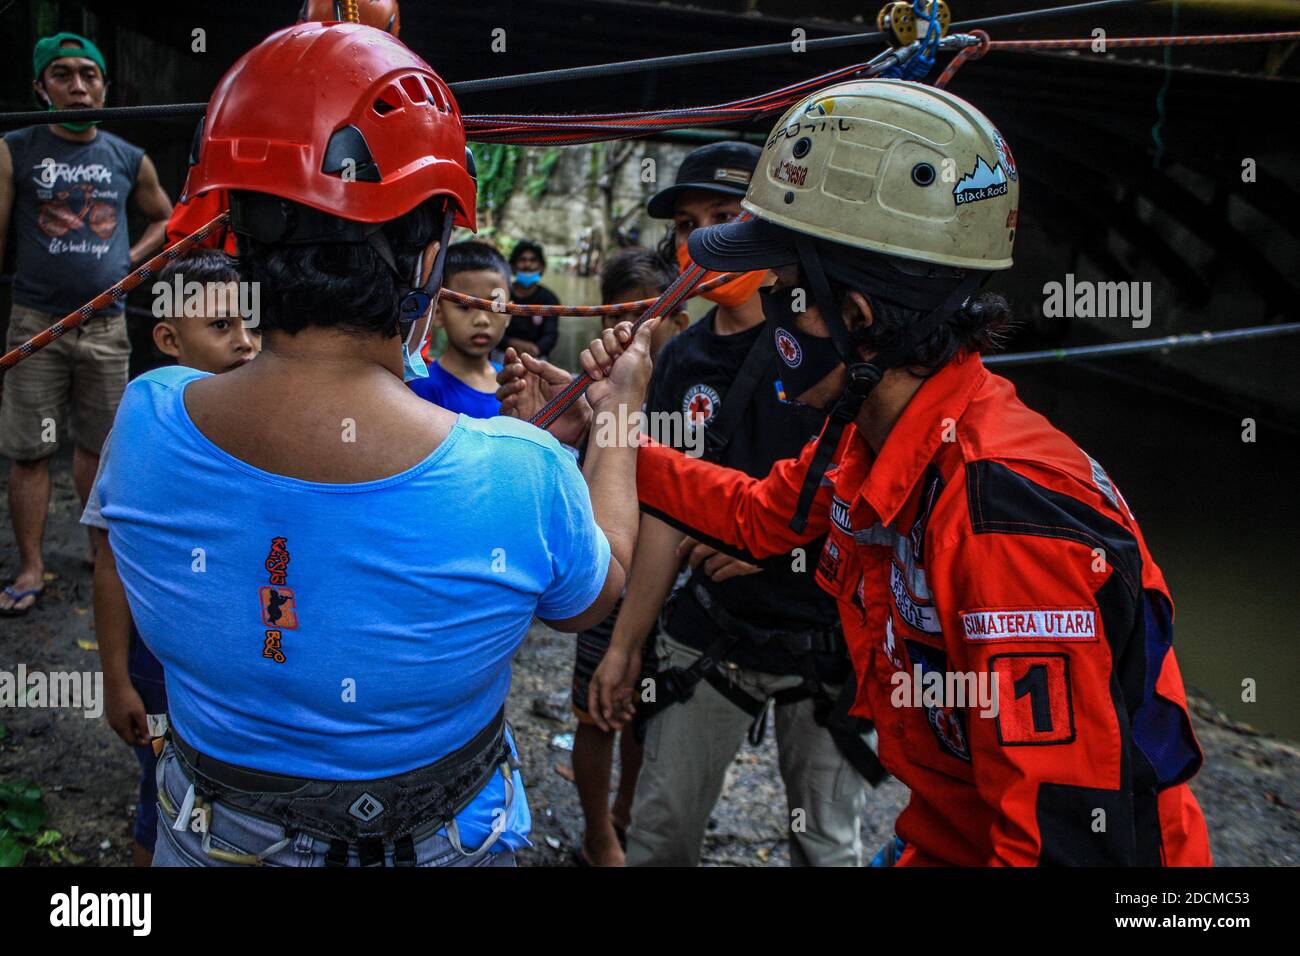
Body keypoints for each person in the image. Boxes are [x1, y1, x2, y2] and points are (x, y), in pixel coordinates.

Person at [512, 79, 1213, 866]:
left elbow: (1063, 842)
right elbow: (753, 515)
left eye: (784, 294)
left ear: (857, 319)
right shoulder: (870, 439)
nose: (768, 317)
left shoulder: (1009, 520)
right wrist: (601, 431)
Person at [96, 22, 652, 868]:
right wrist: (617, 419)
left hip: (211, 840)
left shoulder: (146, 417)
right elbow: (595, 593)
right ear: (429, 253)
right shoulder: (517, 469)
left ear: (235, 235)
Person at [508, 141, 883, 868]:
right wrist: (624, 646)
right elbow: (664, 505)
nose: (701, 239)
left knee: (829, 845)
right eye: (687, 224)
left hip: (831, 637)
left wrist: (786, 545)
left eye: (724, 216)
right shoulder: (679, 361)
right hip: (712, 632)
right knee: (663, 832)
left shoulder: (834, 349)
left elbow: (884, 497)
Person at [84, 250, 260, 867]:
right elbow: (110, 562)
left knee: (238, 803)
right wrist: (115, 678)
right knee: (161, 796)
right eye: (220, 327)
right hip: (156, 668)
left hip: (240, 665)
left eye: (252, 325)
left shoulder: (274, 425)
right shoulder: (141, 425)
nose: (244, 343)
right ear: (168, 338)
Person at [0, 31, 172, 615]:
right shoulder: (15, 147)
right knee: (29, 451)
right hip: (36, 325)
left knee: (99, 449)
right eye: (63, 75)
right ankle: (29, 565)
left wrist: (128, 259)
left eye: (89, 75)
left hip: (105, 326)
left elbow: (166, 218)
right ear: (40, 88)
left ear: (104, 83)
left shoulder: (127, 156)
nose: (78, 86)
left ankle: (101, 554)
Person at [566, 248, 689, 867]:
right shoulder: (598, 391)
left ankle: (625, 814)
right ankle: (597, 832)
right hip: (612, 582)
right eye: (627, 312)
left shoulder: (696, 392)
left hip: (670, 585)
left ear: (680, 319)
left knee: (649, 716)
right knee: (596, 712)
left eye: (656, 312)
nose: (642, 326)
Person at [161, 0, 403, 256]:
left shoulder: (245, 110)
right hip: (277, 284)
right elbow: (186, 247)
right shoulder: (411, 117)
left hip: (267, 282)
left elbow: (185, 246)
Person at [408, 241, 511, 418]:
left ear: (509, 313)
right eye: (465, 307)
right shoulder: (425, 390)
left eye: (495, 306)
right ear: (438, 313)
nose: (482, 320)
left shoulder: (513, 382)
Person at [501, 239, 560, 359]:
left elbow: (551, 334)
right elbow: (492, 327)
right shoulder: (501, 294)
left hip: (537, 356)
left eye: (533, 260)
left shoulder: (549, 299)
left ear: (542, 267)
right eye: (522, 260)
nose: (527, 265)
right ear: (512, 267)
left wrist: (536, 350)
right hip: (502, 353)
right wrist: (511, 343)